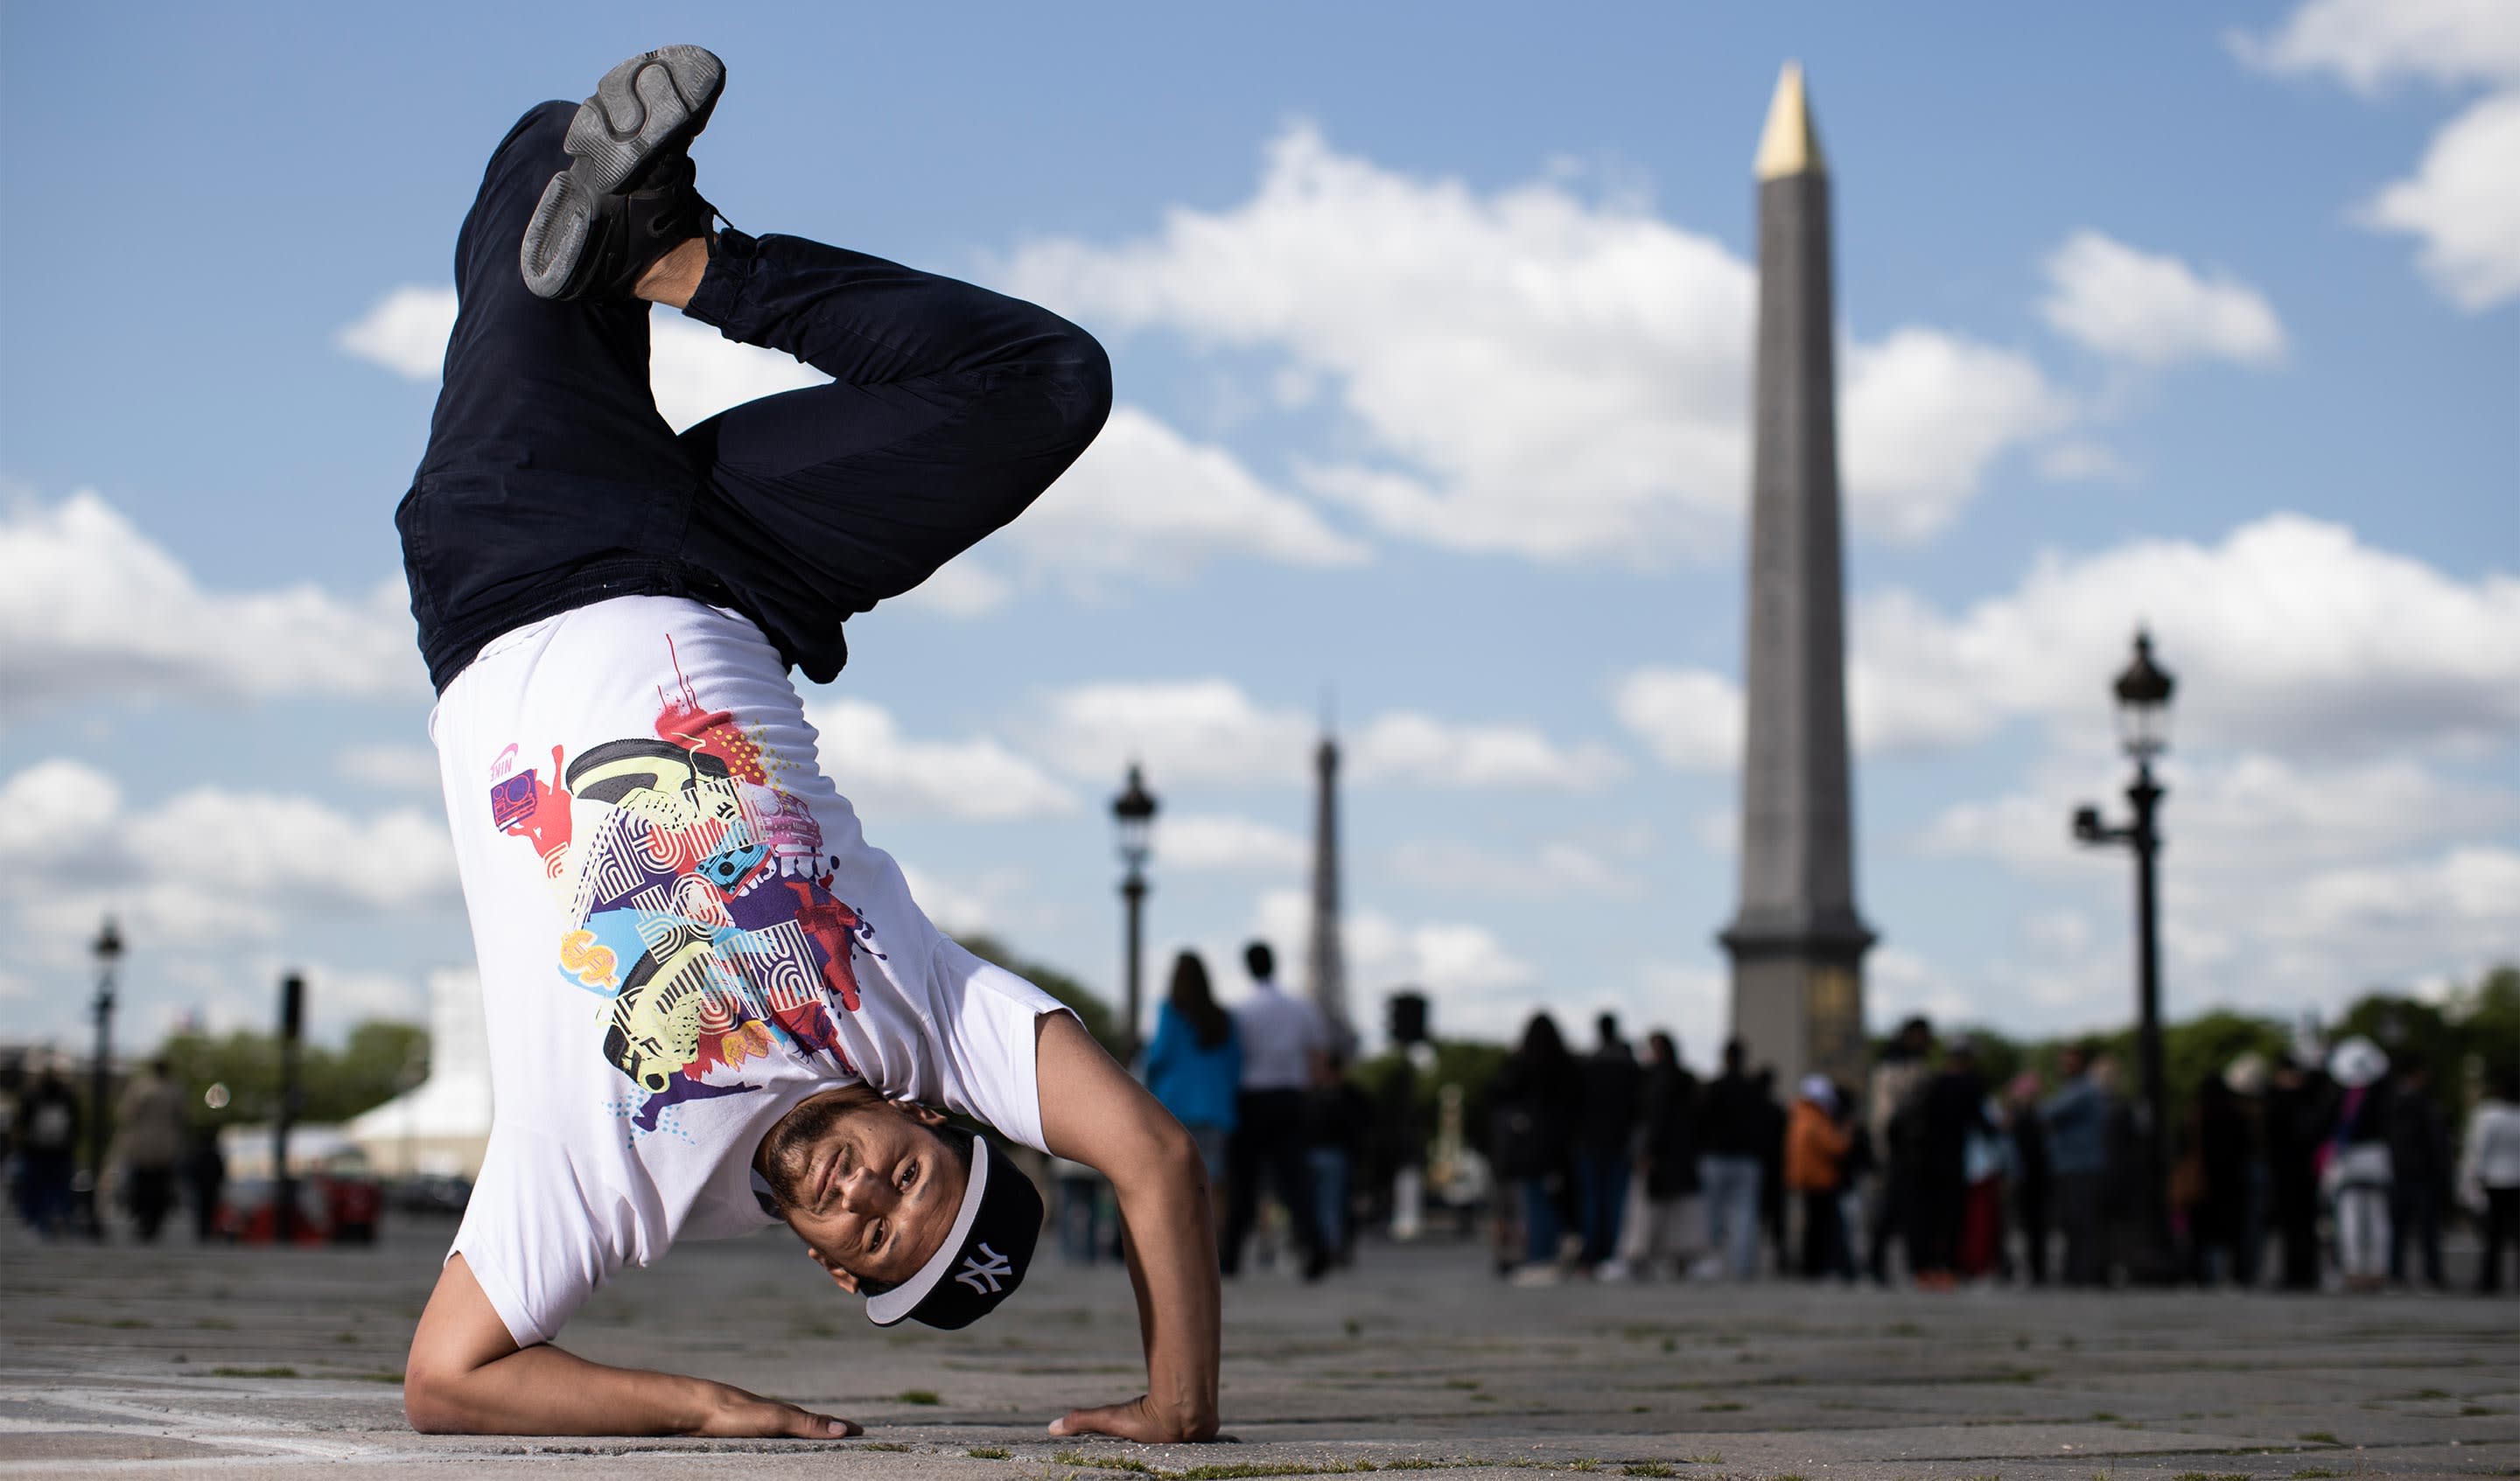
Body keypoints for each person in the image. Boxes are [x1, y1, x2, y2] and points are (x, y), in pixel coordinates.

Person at [395, 50, 1216, 1443]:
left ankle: (608, 225)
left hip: (519, 558)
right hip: (740, 572)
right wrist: (1182, 1406)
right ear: (931, 1121)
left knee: (541, 155)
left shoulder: (609, 1186)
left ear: (835, 1267)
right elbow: (1155, 1154)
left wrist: (705, 1407)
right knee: (1046, 380)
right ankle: (681, 257)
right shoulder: (930, 1024)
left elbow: (449, 1378)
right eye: (911, 1177)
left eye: (877, 1234)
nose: (866, 1190)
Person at [1221, 942, 1329, 1281]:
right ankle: (1316, 1248)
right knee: (1295, 1181)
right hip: (1289, 1097)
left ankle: (1230, 1257)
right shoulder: (1300, 1007)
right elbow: (1318, 1056)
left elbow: (1231, 1058)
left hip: (1251, 1098)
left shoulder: (1241, 1011)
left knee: (1243, 1183)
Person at [1142, 952, 1240, 1234]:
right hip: (1216, 1109)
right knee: (1214, 1183)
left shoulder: (1170, 1011)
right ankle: (1215, 1246)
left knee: (1177, 1181)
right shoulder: (1223, 1018)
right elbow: (1235, 1065)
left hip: (1176, 1108)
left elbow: (1158, 1056)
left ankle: (1183, 1244)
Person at [1489, 1012, 1579, 1282]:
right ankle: (1548, 1254)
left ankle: (1538, 1257)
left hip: (1528, 1146)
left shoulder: (1521, 1064)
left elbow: (1498, 1094)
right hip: (1557, 1145)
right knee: (1550, 1202)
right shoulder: (1565, 1065)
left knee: (1532, 1202)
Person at [1610, 1031, 1701, 1280]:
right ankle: (1680, 1259)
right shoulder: (1683, 1079)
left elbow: (1656, 1118)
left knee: (1644, 1210)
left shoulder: (1657, 1080)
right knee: (1678, 1212)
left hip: (1660, 1154)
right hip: (1681, 1157)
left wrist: (1648, 1149)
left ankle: (1638, 1257)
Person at [1909, 1037, 1989, 1289]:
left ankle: (1925, 1268)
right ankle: (1948, 1267)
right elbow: (1981, 1122)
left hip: (1927, 1160)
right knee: (1951, 1217)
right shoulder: (1970, 1085)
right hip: (1953, 1160)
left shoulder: (1932, 1083)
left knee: (1929, 1216)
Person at [1864, 1017, 1933, 1284]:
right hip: (1899, 1149)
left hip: (1906, 1148)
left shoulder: (1907, 1064)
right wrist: (1884, 1150)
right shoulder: (1896, 1067)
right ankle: (1883, 1264)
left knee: (1903, 1210)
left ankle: (1900, 1264)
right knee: (1893, 1209)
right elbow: (1886, 1116)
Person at [2323, 1036, 2393, 1291]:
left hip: (2350, 1159)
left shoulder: (2342, 1098)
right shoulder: (2383, 1096)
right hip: (2375, 1158)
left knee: (2351, 1217)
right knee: (2375, 1216)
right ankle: (2376, 1268)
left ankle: (2355, 1269)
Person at [1572, 1014, 1641, 1272]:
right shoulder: (1628, 1067)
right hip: (1619, 1140)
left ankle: (1593, 1252)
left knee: (1593, 1199)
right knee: (1615, 1200)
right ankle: (1612, 1252)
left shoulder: (1588, 1065)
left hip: (1591, 1141)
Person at [2041, 1044, 2111, 1287]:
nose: (2064, 1066)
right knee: (2074, 1221)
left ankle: (2084, 1272)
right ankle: (2078, 1271)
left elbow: (2048, 1112)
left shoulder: (2083, 1091)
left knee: (2081, 1221)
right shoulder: (2076, 1089)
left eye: (2068, 1061)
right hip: (2074, 1165)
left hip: (2080, 1166)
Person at [1697, 1039, 1767, 1280]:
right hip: (1746, 1158)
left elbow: (1701, 1119)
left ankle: (1712, 1262)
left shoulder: (1715, 1087)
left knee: (1712, 1214)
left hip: (1717, 1156)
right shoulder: (1752, 1089)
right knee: (1744, 1215)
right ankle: (1741, 1265)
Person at [2263, 1052, 2329, 1291]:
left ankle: (2298, 1273)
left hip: (2291, 1172)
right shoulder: (2305, 1099)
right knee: (2299, 1226)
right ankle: (2302, 1272)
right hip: (2299, 1172)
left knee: (2295, 1226)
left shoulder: (2284, 1100)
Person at [2384, 1056, 2451, 1290]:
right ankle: (2431, 1274)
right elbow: (2436, 1141)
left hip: (2400, 1170)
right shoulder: (2424, 1103)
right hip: (2422, 1172)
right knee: (2427, 1228)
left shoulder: (2391, 1100)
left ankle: (2397, 1273)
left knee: (2399, 1228)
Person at [116, 1059, 192, 1243]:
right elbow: (184, 1116)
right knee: (160, 1187)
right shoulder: (175, 1089)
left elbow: (125, 1113)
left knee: (141, 1185)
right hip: (166, 1146)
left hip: (142, 1145)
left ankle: (142, 1219)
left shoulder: (140, 1087)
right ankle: (152, 1221)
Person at [2459, 1070, 2520, 1295]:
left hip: (2494, 1179)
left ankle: (2489, 1280)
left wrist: (2474, 1176)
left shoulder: (2489, 1115)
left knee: (2493, 1234)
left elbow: (2480, 1148)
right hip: (2516, 1177)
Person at [1783, 1075, 1850, 1280]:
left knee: (1812, 1226)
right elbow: (1836, 1147)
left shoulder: (1799, 1116)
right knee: (1820, 1227)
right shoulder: (1814, 1118)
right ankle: (1817, 1267)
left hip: (1806, 1178)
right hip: (1818, 1179)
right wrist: (1847, 1134)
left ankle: (1811, 1266)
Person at [12, 1062, 80, 1240]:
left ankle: (38, 1220)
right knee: (59, 1187)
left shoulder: (31, 1096)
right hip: (61, 1150)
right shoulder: (67, 1096)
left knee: (36, 1187)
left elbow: (21, 1123)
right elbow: (76, 1124)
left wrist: (22, 1144)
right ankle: (61, 1216)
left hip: (36, 1150)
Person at [2004, 1072, 2051, 1286]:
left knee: (2031, 1225)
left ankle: (2035, 1268)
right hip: (2030, 1176)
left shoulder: (2023, 1118)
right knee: (2032, 1226)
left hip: (2029, 1177)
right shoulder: (2031, 1117)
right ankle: (2035, 1268)